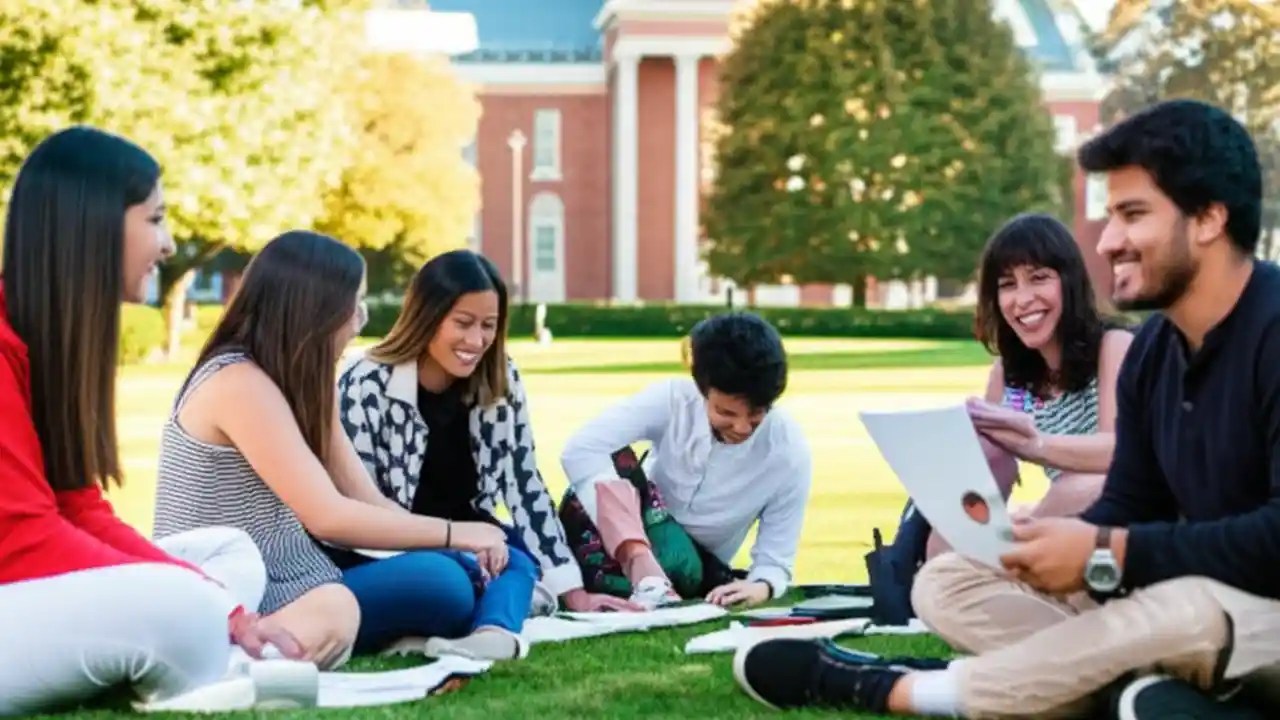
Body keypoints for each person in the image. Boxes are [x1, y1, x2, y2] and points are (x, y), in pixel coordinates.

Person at [732, 99, 1280, 718]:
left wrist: (1110, 550)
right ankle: (1143, 699)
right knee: (947, 580)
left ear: (1208, 218)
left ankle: (893, 688)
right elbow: (1130, 503)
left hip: (1256, 616)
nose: (1107, 241)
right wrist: (1046, 548)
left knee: (1185, 612)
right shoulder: (1157, 351)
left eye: (1132, 215)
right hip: (1173, 602)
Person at [0, 126, 306, 715]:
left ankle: (190, 647)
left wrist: (222, 602)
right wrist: (213, 607)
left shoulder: (48, 345)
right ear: (92, 226)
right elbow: (23, 541)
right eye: (155, 219)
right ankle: (206, 658)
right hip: (13, 582)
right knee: (189, 606)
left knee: (230, 556)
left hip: (25, 591)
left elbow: (79, 508)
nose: (167, 245)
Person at [153, 233, 520, 666]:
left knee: (493, 557)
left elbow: (365, 498)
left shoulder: (303, 382)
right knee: (444, 581)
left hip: (302, 575)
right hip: (246, 590)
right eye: (354, 305)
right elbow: (328, 516)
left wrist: (462, 541)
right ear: (315, 309)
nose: (359, 322)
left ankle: (487, 626)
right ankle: (472, 618)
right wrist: (454, 533)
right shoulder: (237, 383)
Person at [338, 250, 639, 634]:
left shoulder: (501, 379)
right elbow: (358, 499)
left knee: (522, 562)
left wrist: (576, 594)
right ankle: (494, 607)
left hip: (481, 537)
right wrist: (448, 544)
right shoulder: (365, 383)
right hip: (397, 543)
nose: (476, 340)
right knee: (484, 573)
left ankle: (492, 633)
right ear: (427, 317)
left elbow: (524, 484)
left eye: (489, 325)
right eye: (463, 323)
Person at [559, 311, 812, 609]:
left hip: (689, 568)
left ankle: (646, 583)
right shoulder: (674, 399)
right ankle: (637, 576)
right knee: (616, 459)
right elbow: (581, 449)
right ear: (702, 390)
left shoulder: (788, 450)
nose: (742, 427)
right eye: (727, 413)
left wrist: (762, 587)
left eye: (756, 413)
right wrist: (636, 550)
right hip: (618, 534)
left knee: (673, 552)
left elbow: (776, 559)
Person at [925, 213, 1133, 558]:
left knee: (1077, 487)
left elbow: (1120, 453)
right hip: (1062, 521)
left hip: (1119, 522)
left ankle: (1006, 554)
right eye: (1008, 285)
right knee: (963, 491)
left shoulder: (1113, 347)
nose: (1023, 299)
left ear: (1069, 282)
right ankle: (941, 579)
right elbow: (988, 475)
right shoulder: (1008, 376)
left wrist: (1035, 445)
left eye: (1038, 279)